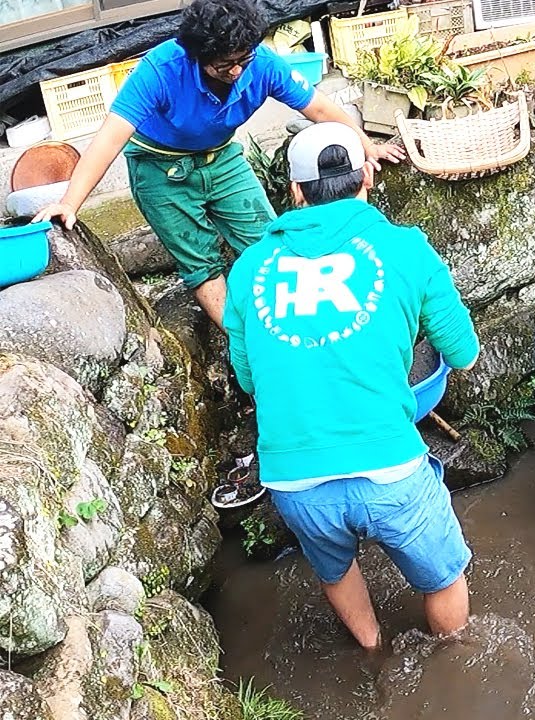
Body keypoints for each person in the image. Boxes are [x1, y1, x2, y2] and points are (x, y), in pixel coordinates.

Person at [222, 122, 479, 646]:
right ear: (367, 176)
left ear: (294, 193)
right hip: (391, 472)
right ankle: (454, 667)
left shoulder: (249, 269)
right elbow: (464, 353)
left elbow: (249, 378)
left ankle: (373, 651)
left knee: (335, 569)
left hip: (295, 481)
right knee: (445, 575)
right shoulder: (406, 249)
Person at [35, 0, 404, 331]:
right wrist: (70, 203)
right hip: (159, 168)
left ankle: (292, 325)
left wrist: (367, 145)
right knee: (201, 263)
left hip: (222, 158)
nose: (236, 72)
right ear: (196, 56)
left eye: (243, 60)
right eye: (224, 65)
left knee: (269, 241)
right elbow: (110, 138)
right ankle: (243, 341)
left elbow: (321, 109)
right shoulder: (160, 70)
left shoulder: (261, 63)